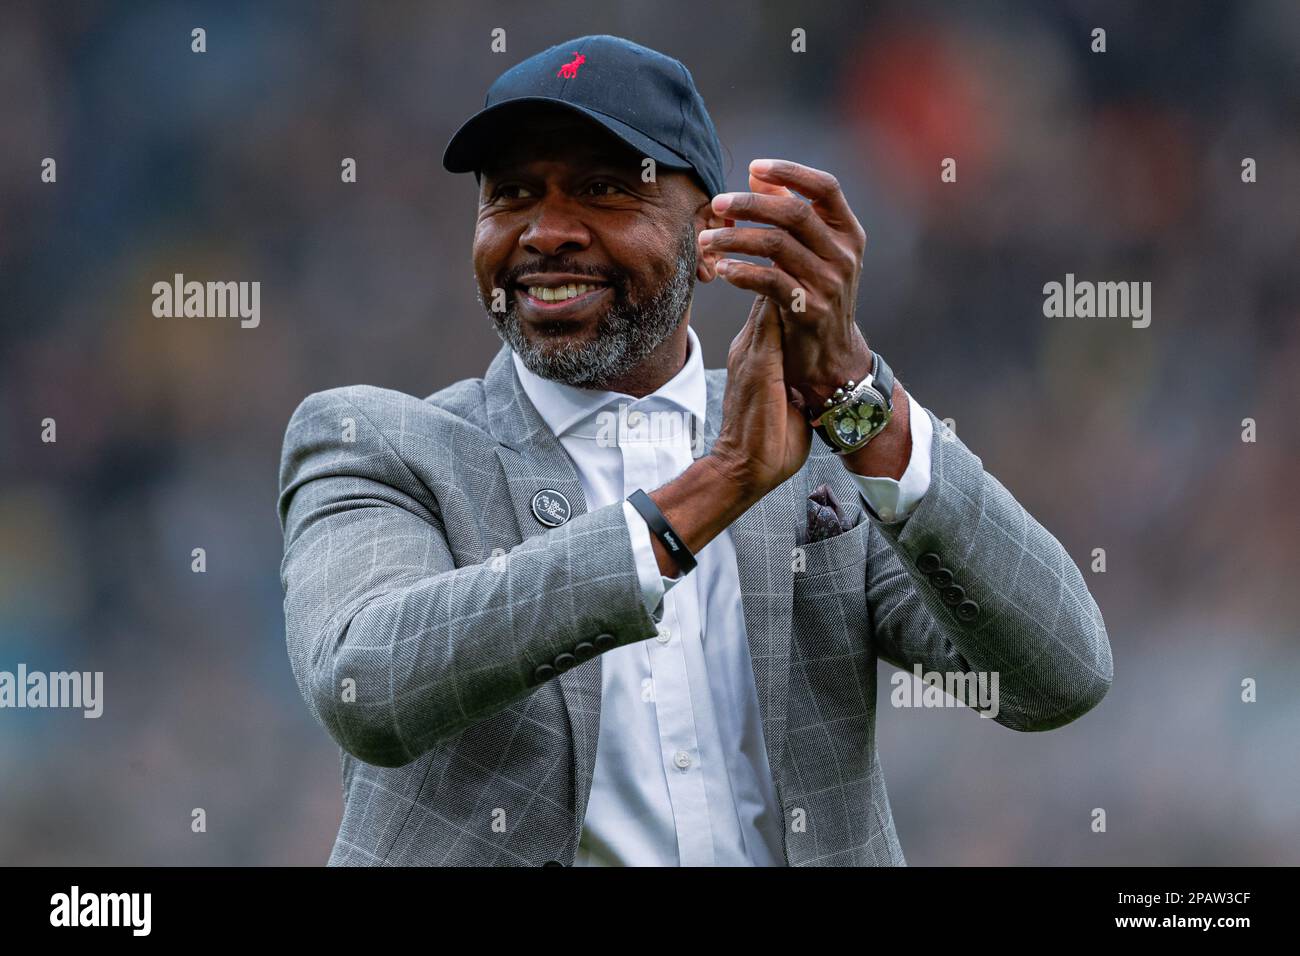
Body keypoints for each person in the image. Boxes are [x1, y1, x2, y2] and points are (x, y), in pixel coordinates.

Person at [278, 34, 1112, 866]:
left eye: (604, 190)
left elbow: (1058, 676)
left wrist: (861, 395)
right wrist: (715, 488)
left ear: (715, 235)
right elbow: (368, 685)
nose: (546, 231)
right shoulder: (376, 443)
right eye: (512, 195)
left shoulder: (821, 447)